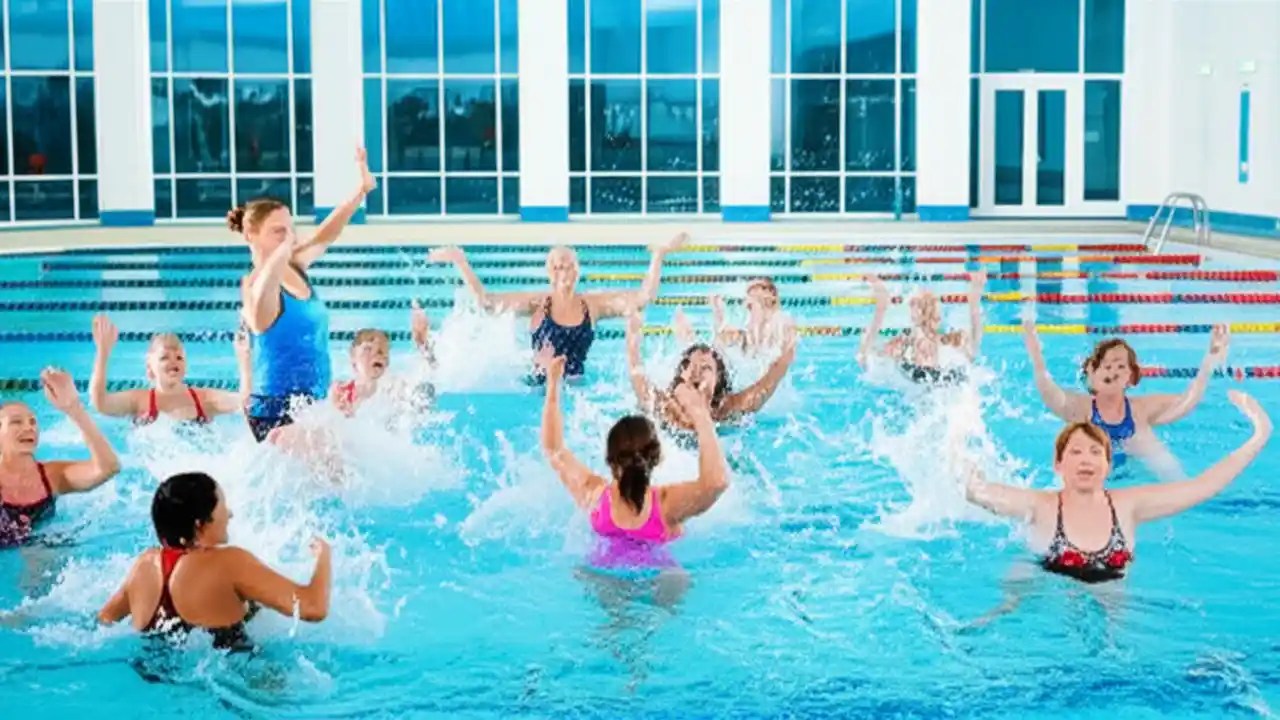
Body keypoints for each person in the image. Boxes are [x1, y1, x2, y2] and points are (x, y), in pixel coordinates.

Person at [964, 390, 1270, 584]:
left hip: (1110, 623)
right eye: (1076, 451)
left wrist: (1259, 435)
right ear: (1058, 464)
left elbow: (1204, 486)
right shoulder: (1039, 505)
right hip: (1043, 589)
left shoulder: (1129, 504)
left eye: (1095, 452)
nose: (1086, 460)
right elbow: (979, 493)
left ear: (1108, 466)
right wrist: (969, 473)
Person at [97, 472, 332, 649]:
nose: (230, 514)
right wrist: (324, 557)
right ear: (200, 523)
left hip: (155, 680)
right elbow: (313, 608)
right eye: (223, 506)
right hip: (239, 682)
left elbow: (105, 619)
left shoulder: (144, 565)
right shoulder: (228, 563)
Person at [537, 348, 728, 564]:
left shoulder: (595, 497)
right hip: (661, 580)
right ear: (659, 457)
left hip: (602, 576)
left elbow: (554, 449)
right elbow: (716, 482)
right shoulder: (667, 506)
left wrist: (553, 384)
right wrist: (699, 412)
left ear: (609, 458)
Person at [236, 147, 375, 441]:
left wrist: (360, 192)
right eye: (278, 231)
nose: (289, 236)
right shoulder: (252, 286)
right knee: (341, 471)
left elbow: (326, 233)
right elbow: (260, 315)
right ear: (251, 234)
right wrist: (283, 252)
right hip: (276, 417)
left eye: (291, 228)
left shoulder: (295, 267)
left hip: (314, 408)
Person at [428, 232, 688, 381]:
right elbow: (487, 303)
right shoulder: (538, 303)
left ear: (578, 271)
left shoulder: (592, 305)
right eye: (557, 265)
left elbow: (643, 298)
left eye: (568, 264)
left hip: (578, 387)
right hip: (538, 387)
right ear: (549, 273)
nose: (563, 269)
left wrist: (659, 255)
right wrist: (460, 262)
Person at [1023, 318, 1229, 466]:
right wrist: (1035, 354)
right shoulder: (1081, 408)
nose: (1113, 371)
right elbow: (1048, 390)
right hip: (1092, 471)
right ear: (1091, 375)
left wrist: (1210, 359)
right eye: (1106, 366)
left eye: (1121, 366)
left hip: (1133, 470)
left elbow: (1187, 401)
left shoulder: (1141, 409)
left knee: (1165, 462)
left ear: (1131, 377)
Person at [1, 369, 122, 546]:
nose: (29, 428)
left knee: (51, 545)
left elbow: (109, 467)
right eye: (16, 422)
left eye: (33, 422)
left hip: (36, 545)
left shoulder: (52, 476)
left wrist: (74, 409)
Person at [627, 310, 797, 433]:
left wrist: (787, 351)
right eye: (689, 365)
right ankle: (686, 333)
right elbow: (640, 384)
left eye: (706, 368)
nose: (696, 372)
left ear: (718, 380)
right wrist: (632, 344)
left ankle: (695, 331)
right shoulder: (667, 407)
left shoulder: (727, 409)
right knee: (695, 350)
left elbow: (768, 382)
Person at [89, 314, 252, 426]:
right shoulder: (139, 400)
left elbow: (246, 402)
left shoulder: (204, 399)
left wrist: (244, 360)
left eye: (179, 358)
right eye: (164, 357)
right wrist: (103, 352)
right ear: (149, 368)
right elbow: (100, 403)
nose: (173, 361)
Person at [857, 271, 987, 385]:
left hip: (937, 397)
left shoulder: (945, 341)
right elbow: (866, 359)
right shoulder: (904, 345)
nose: (909, 307)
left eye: (913, 304)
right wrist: (881, 309)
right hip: (940, 396)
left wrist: (881, 309)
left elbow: (865, 358)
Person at [331, 301, 436, 418]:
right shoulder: (340, 391)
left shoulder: (394, 388)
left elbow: (429, 378)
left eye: (381, 351)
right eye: (368, 349)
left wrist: (423, 346)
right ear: (353, 359)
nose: (376, 354)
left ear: (387, 362)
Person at [673, 278, 795, 355]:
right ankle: (689, 344)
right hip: (750, 353)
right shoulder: (754, 322)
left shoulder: (781, 320)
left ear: (770, 294)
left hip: (757, 353)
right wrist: (718, 313)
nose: (749, 296)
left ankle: (689, 344)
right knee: (715, 343)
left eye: (758, 288)